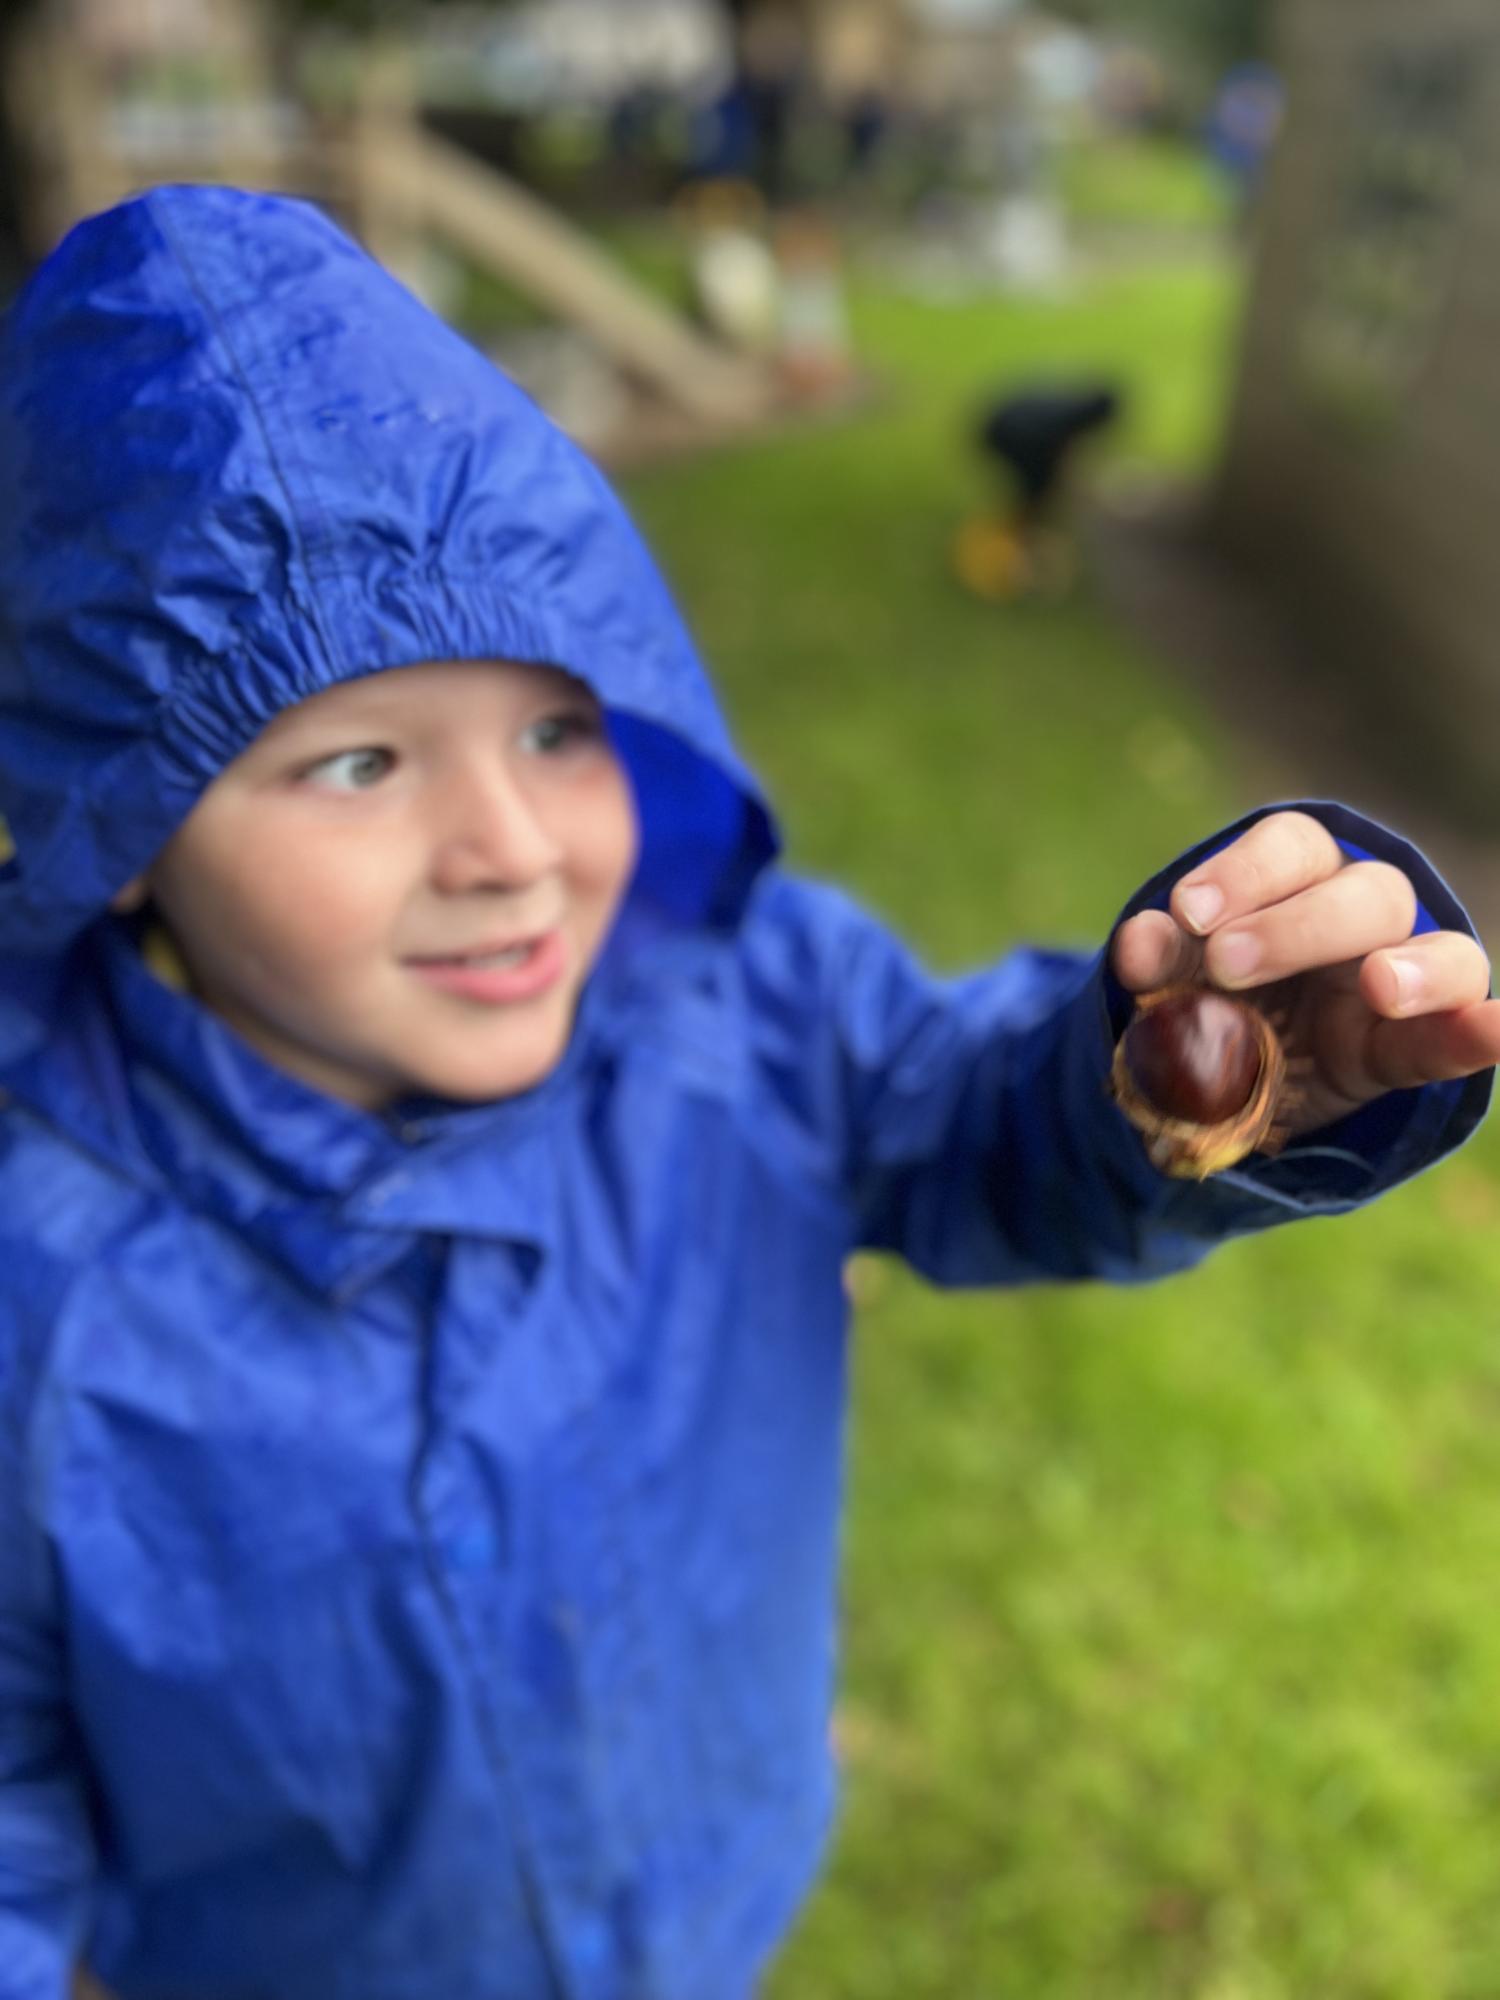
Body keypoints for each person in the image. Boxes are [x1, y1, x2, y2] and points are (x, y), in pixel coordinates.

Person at [0, 186, 1495, 2000]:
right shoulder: (37, 1279)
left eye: (559, 728)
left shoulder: (749, 1005)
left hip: (709, 1902)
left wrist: (1186, 1087)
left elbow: (981, 1128)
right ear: (125, 829)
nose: (509, 847)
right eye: (360, 764)